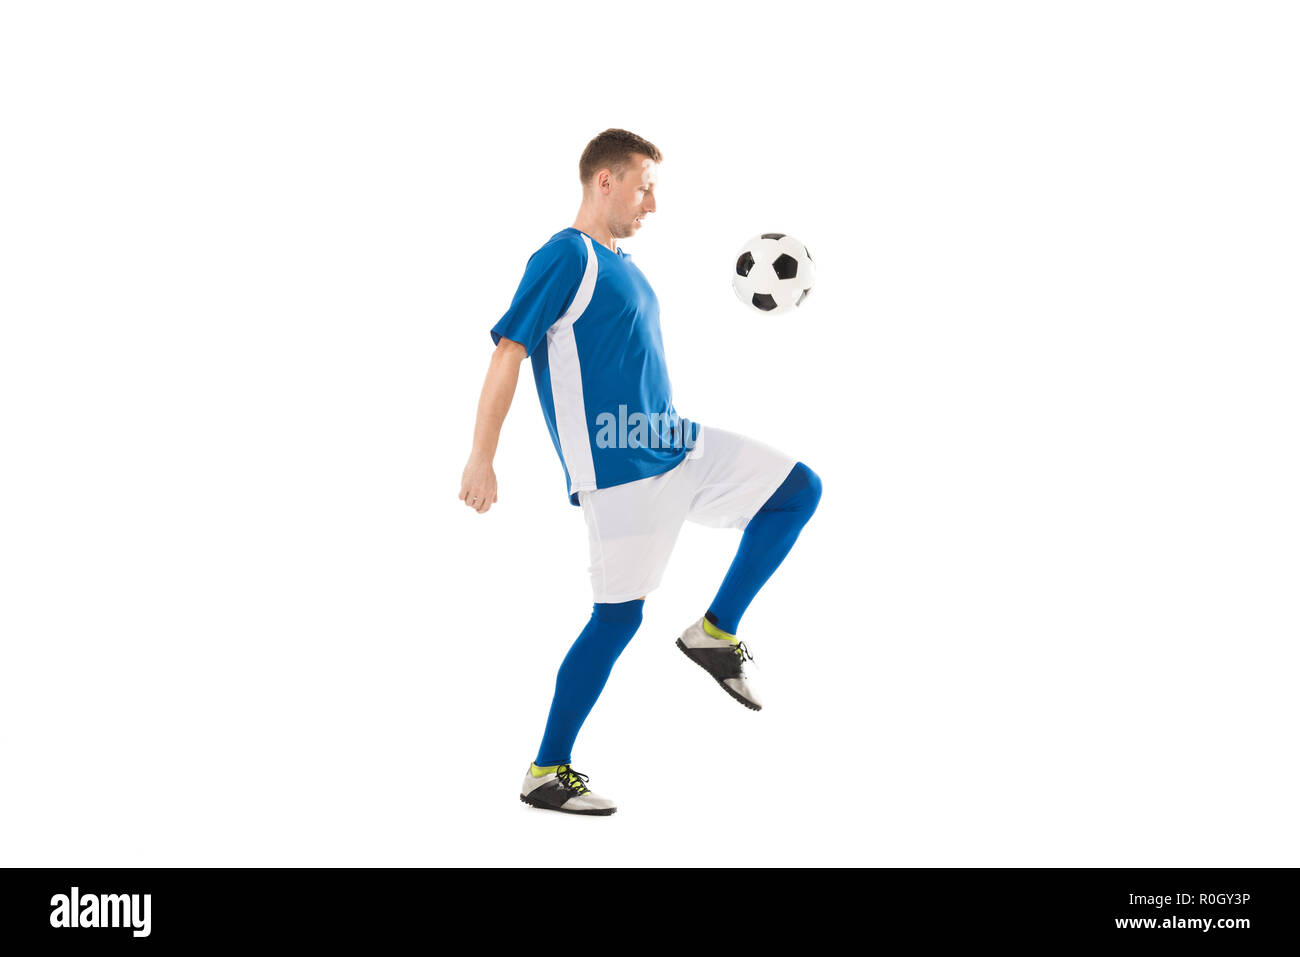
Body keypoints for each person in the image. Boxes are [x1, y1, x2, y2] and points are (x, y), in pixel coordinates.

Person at [459, 128, 822, 816]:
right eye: (644, 184)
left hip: (676, 445)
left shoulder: (623, 262)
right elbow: (509, 351)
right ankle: (547, 767)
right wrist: (483, 455)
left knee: (798, 489)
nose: (652, 201)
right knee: (617, 620)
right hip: (622, 475)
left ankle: (715, 631)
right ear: (605, 181)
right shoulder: (566, 255)